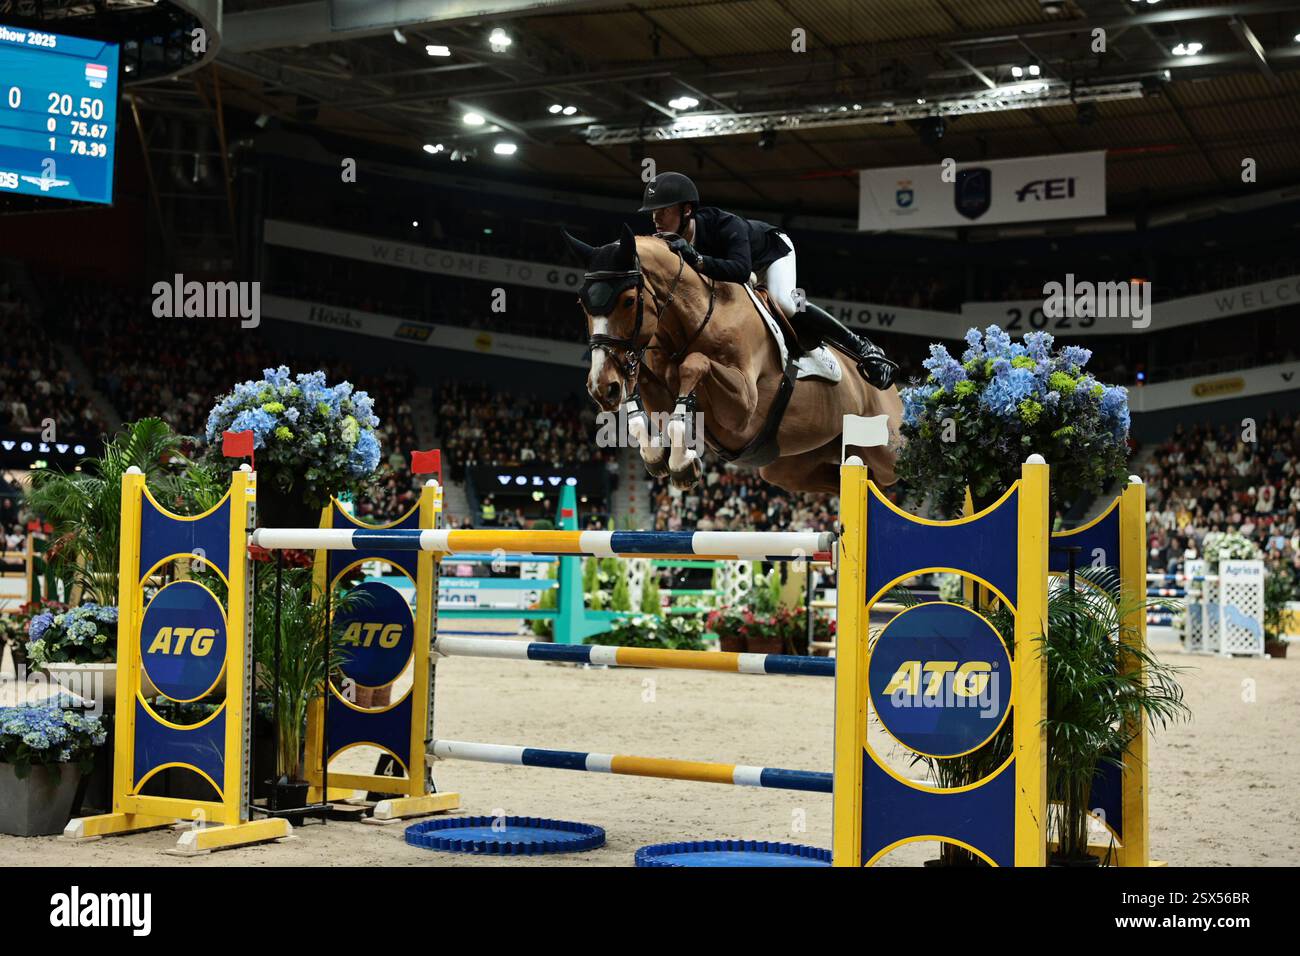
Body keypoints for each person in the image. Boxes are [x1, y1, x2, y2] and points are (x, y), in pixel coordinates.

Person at [637, 172, 896, 389]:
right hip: (735, 270)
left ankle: (860, 345)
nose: (656, 219)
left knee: (787, 302)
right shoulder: (666, 241)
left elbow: (740, 270)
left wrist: (697, 259)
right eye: (653, 213)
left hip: (771, 254)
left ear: (687, 210)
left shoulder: (726, 224)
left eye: (663, 211)